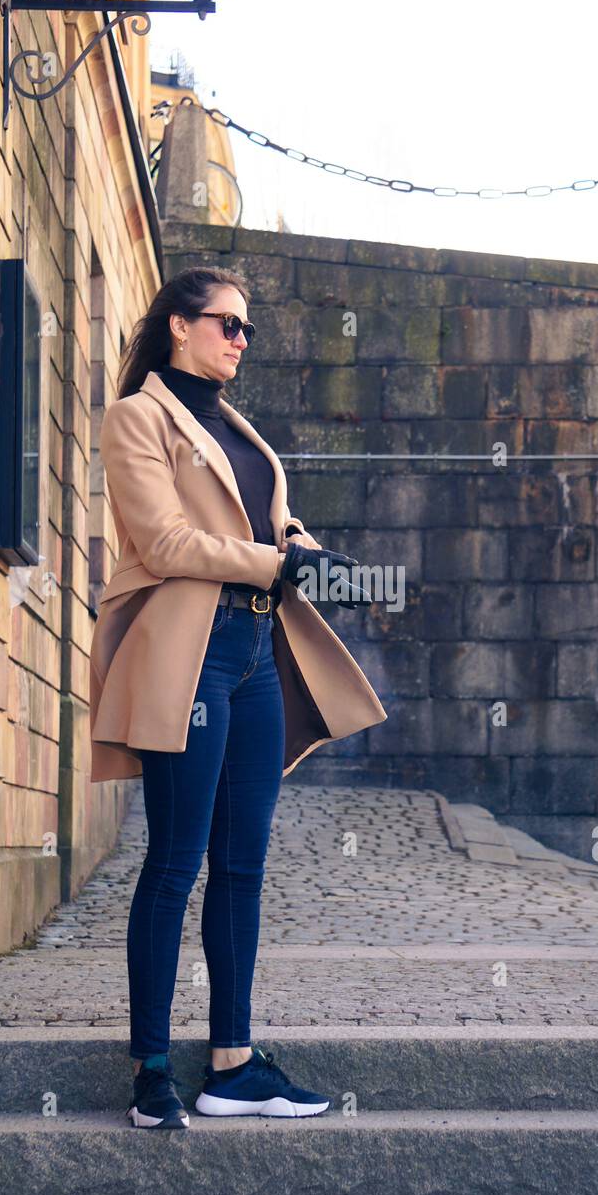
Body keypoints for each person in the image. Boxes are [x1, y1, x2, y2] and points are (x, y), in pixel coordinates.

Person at [95, 266, 378, 1129]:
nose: (240, 340)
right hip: (191, 653)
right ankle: (150, 1071)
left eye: (247, 328)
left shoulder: (235, 427)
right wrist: (273, 561)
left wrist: (295, 539)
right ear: (179, 326)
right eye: (226, 324)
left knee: (244, 866)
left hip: (255, 649)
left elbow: (257, 521)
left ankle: (233, 1064)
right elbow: (164, 539)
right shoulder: (136, 417)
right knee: (175, 862)